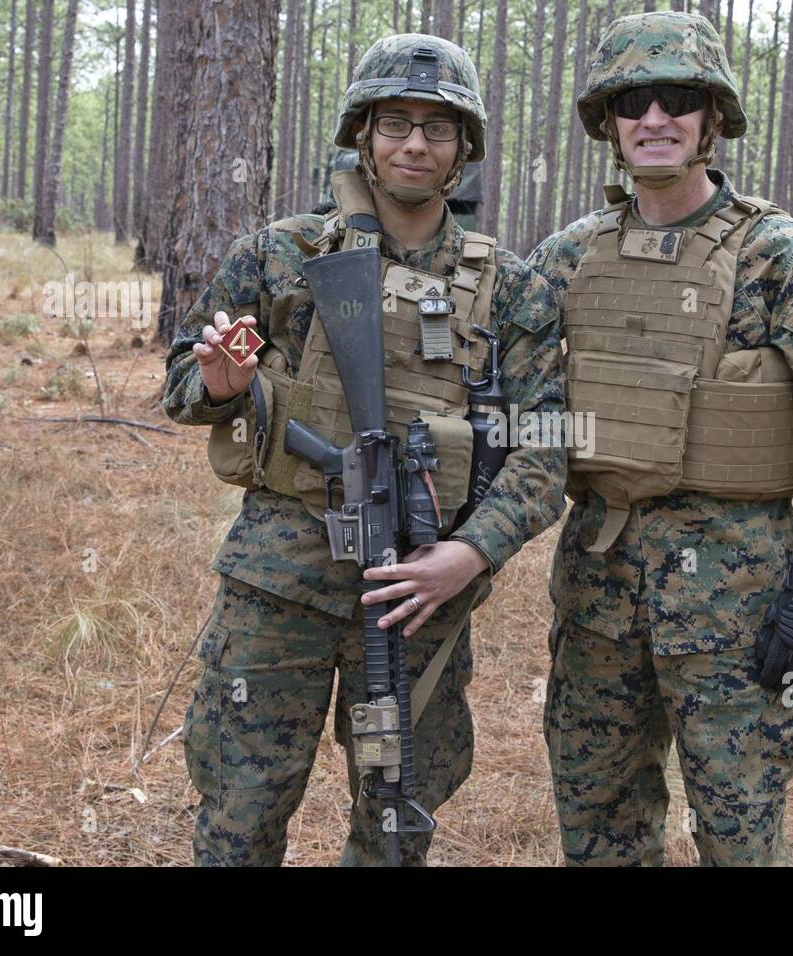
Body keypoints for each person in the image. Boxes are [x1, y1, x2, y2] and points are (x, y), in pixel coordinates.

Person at [162, 34, 566, 866]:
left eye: (438, 128)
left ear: (464, 150)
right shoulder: (281, 253)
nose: (415, 143)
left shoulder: (511, 286)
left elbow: (545, 449)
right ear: (363, 135)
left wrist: (468, 553)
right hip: (280, 586)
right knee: (239, 813)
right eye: (395, 123)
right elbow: (180, 385)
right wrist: (223, 385)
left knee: (394, 821)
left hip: (418, 595)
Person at [527, 10, 793, 866]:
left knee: (738, 835)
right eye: (632, 102)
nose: (654, 119)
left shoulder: (783, 258)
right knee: (598, 830)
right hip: (599, 596)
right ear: (607, 123)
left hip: (738, 606)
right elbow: (500, 397)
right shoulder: (567, 259)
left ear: (713, 117)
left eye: (678, 98)